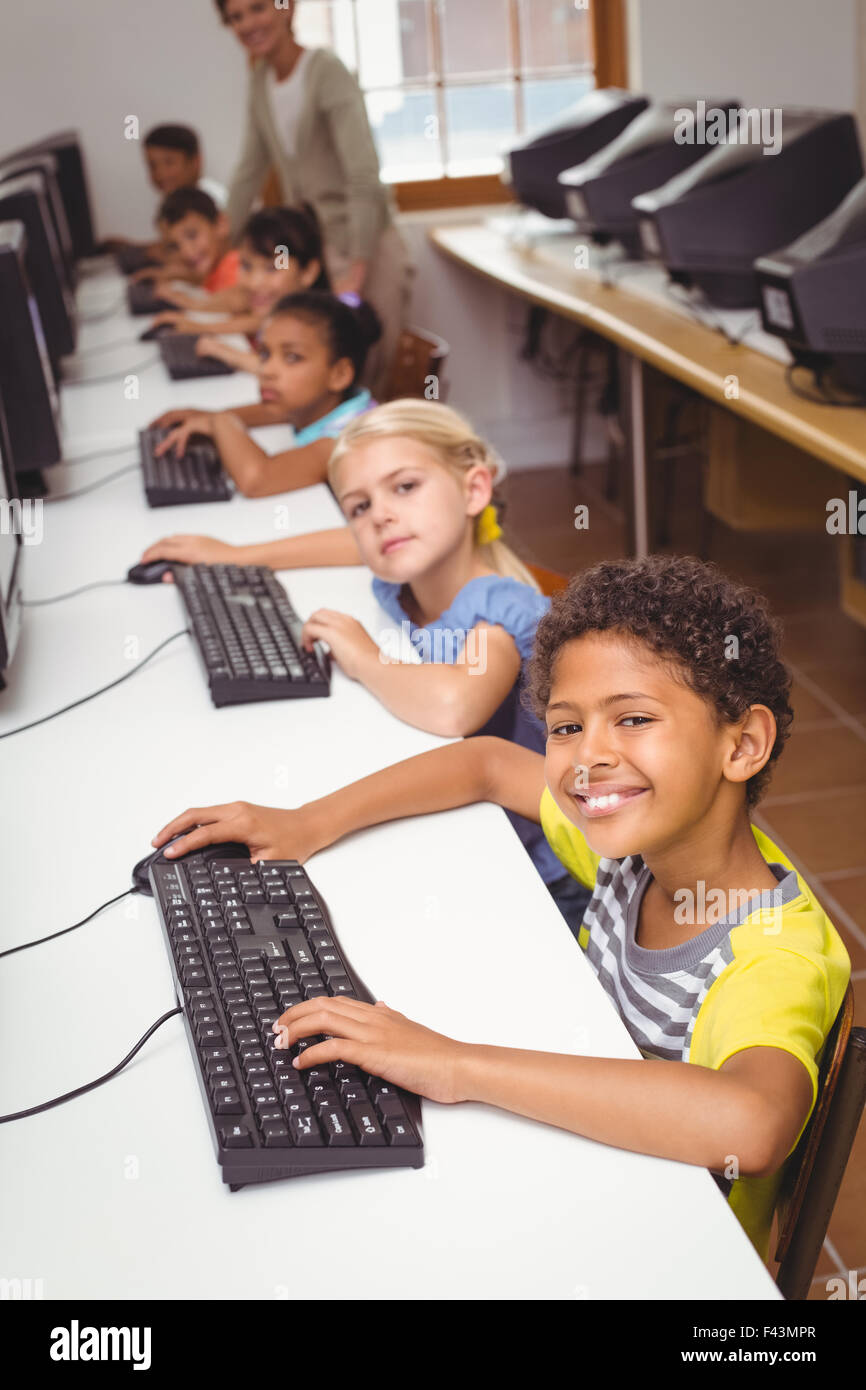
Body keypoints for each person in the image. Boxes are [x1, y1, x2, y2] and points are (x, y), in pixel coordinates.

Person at [151, 555, 850, 1258]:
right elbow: (484, 764)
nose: (588, 758)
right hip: (594, 1174)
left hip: (668, 1251)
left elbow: (751, 1125)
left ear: (743, 743)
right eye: (567, 726)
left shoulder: (770, 957)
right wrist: (306, 823)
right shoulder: (639, 845)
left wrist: (455, 1065)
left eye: (634, 718)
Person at [146, 399, 590, 936]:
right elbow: (351, 547)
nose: (380, 516)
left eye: (404, 488)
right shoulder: (405, 573)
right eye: (359, 506)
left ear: (474, 490)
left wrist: (364, 657)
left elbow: (456, 706)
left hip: (549, 868)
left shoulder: (499, 609)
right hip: (481, 822)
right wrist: (236, 555)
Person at [214, 0, 412, 397]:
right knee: (321, 386)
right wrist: (219, 243)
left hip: (363, 245)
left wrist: (355, 271)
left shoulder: (326, 72)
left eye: (257, 9)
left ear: (286, 8)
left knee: (365, 384)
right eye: (236, 17)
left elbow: (362, 176)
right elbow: (250, 168)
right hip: (315, 247)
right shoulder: (260, 81)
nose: (248, 24)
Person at [146, 290, 380, 497]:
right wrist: (203, 415)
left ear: (339, 374)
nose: (266, 370)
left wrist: (221, 421)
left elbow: (257, 479)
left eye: (292, 357)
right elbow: (276, 414)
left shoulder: (346, 440)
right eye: (265, 354)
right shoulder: (326, 404)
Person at [146, 204, 329, 374]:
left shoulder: (314, 326)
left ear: (308, 272)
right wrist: (189, 305)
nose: (254, 283)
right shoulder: (276, 307)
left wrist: (222, 349)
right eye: (247, 267)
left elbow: (287, 374)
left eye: (272, 268)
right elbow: (234, 297)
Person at [100, 124, 227, 261]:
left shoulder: (214, 199)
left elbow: (207, 256)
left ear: (195, 162)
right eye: (152, 166)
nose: (160, 174)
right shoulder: (174, 201)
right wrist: (134, 248)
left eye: (169, 163)